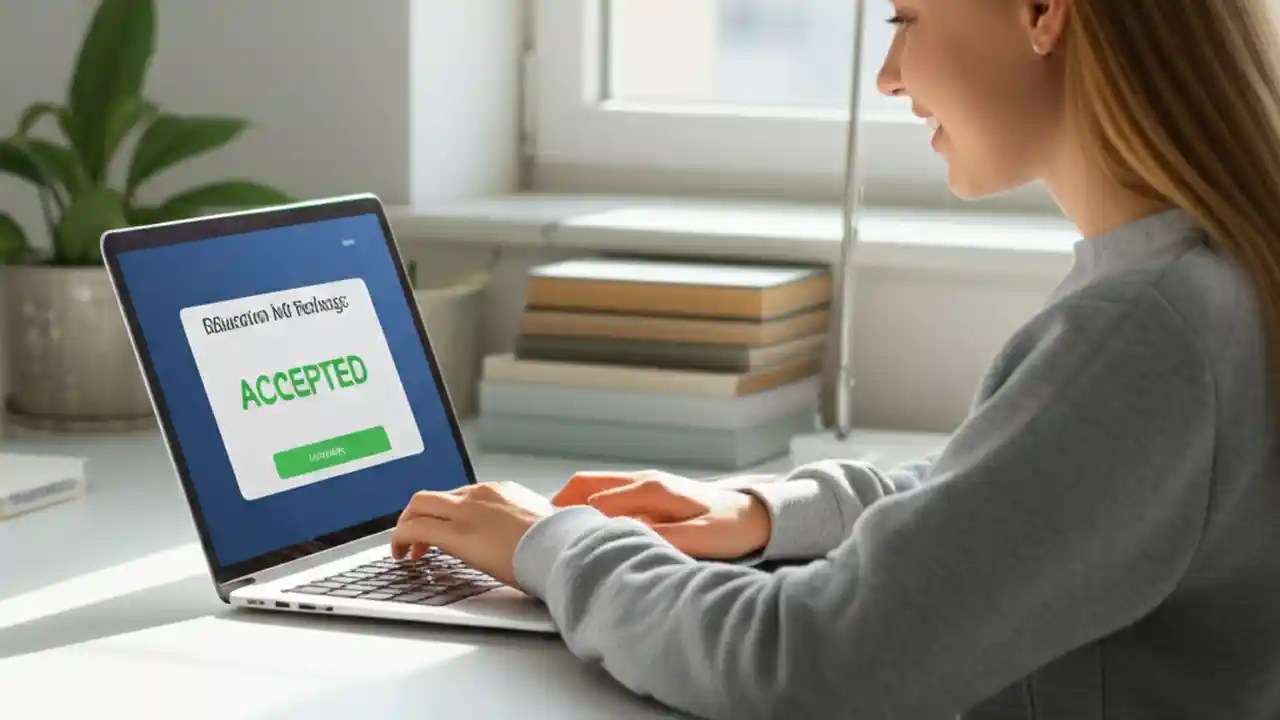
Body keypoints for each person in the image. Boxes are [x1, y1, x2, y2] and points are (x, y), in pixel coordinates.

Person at [390, 0, 1280, 717]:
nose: (890, 77)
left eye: (905, 20)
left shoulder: (1146, 330)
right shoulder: (1201, 280)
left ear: (1044, 11)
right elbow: (1018, 489)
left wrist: (560, 548)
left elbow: (809, 663)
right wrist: (766, 513)